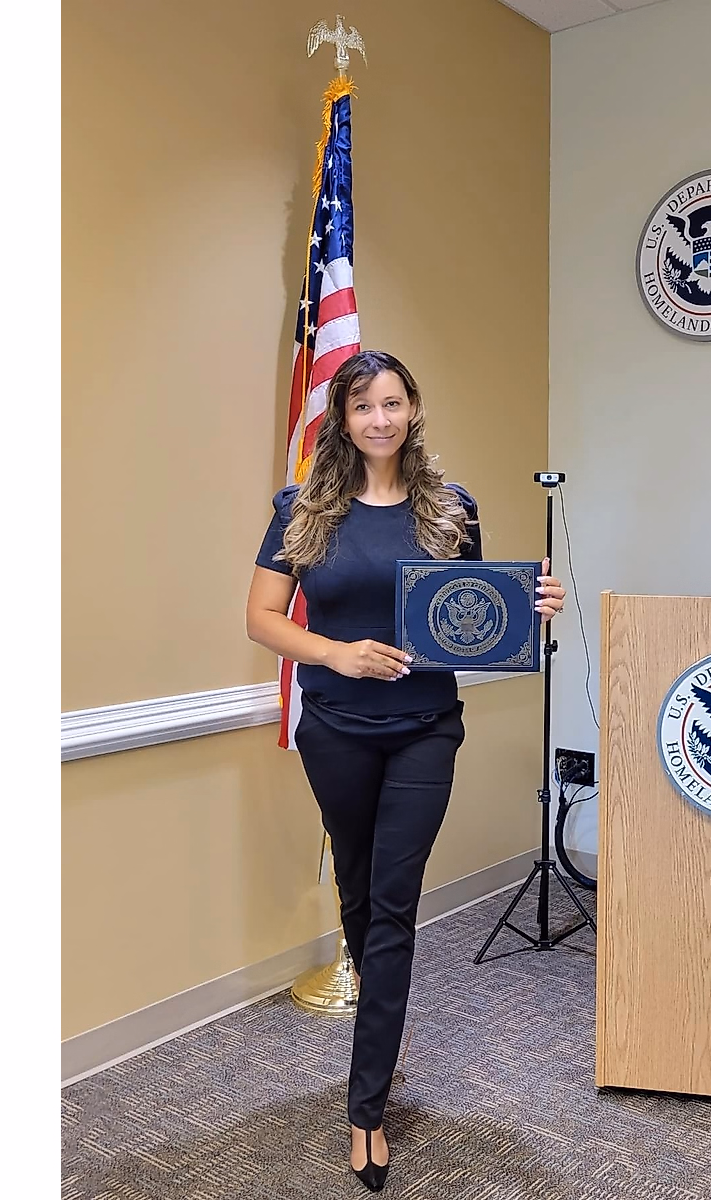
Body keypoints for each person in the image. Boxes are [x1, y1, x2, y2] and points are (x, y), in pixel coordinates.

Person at [245, 350, 566, 1192]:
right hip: (336, 731)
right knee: (356, 889)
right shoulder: (303, 507)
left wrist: (532, 606)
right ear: (344, 419)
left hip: (425, 727)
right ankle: (382, 1014)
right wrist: (337, 654)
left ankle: (366, 1110)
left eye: (393, 403)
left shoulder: (450, 508)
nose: (379, 419)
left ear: (413, 409)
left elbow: (477, 617)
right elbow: (261, 618)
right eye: (363, 407)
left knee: (393, 901)